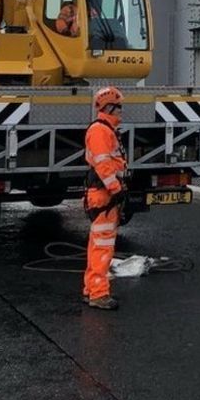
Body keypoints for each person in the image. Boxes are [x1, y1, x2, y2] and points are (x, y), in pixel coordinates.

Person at [82, 85, 126, 310]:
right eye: (118, 108)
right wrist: (116, 189)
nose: (121, 112)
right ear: (109, 107)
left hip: (103, 193)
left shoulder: (106, 130)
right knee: (103, 245)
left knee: (98, 244)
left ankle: (92, 288)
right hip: (104, 194)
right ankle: (99, 294)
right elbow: (103, 164)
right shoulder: (101, 131)